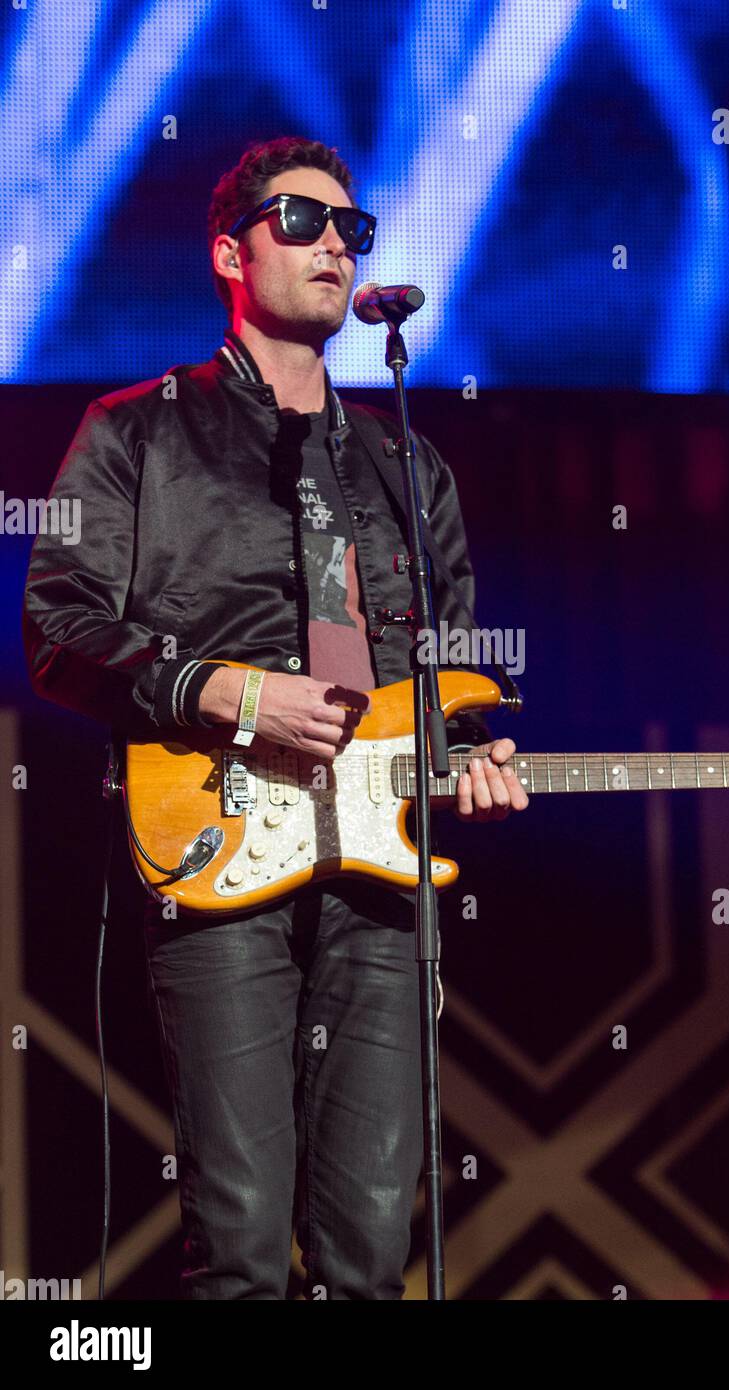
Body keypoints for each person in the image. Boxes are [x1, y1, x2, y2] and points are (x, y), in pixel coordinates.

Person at [22, 135, 529, 1300]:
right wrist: (226, 689)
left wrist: (472, 767)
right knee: (243, 1246)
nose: (333, 249)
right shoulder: (134, 433)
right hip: (215, 840)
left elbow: (439, 680)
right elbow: (58, 627)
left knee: (366, 1253)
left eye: (350, 230)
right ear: (227, 253)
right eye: (298, 222)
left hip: (378, 872)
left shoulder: (413, 468)